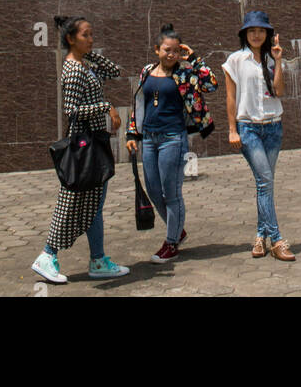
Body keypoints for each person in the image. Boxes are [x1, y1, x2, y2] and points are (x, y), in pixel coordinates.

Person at [32, 16, 129, 284]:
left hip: (94, 143)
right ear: (70, 39)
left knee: (92, 205)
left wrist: (92, 56)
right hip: (84, 147)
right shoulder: (73, 70)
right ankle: (47, 255)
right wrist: (104, 107)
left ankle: (98, 260)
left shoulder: (84, 64)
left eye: (92, 34)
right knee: (72, 204)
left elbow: (116, 71)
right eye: (86, 35)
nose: (91, 39)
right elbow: (71, 111)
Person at [126, 23, 217, 264]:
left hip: (173, 139)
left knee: (172, 192)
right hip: (149, 138)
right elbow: (138, 104)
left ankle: (171, 242)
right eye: (167, 50)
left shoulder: (185, 74)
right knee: (154, 190)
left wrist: (195, 59)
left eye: (176, 51)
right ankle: (177, 229)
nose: (171, 54)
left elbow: (212, 84)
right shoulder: (146, 71)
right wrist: (132, 134)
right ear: (157, 49)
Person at [222, 10, 295, 261]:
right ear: (245, 34)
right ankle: (276, 240)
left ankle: (259, 236)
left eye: (261, 30)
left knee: (265, 184)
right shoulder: (235, 60)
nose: (256, 34)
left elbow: (280, 91)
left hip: (273, 127)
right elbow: (231, 97)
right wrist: (232, 129)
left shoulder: (272, 58)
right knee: (265, 181)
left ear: (268, 34)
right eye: (252, 30)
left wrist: (279, 61)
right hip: (249, 128)